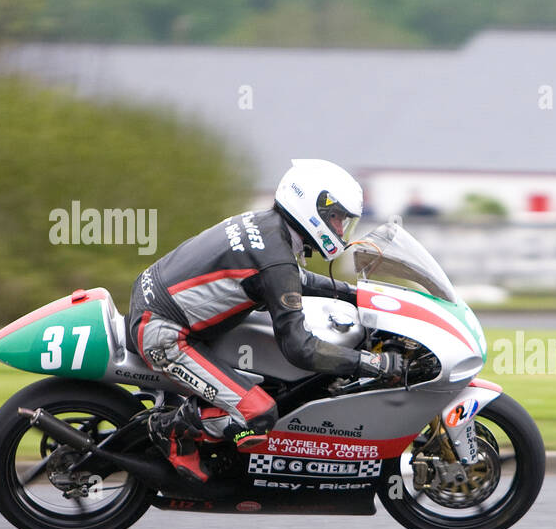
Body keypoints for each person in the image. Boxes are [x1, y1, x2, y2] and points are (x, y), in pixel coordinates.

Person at [125, 158, 405, 482]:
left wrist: (355, 294)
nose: (341, 231)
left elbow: (292, 278)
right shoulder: (276, 257)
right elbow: (300, 350)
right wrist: (371, 363)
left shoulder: (267, 226)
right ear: (311, 209)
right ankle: (171, 429)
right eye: (337, 219)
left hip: (155, 300)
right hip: (163, 332)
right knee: (259, 413)